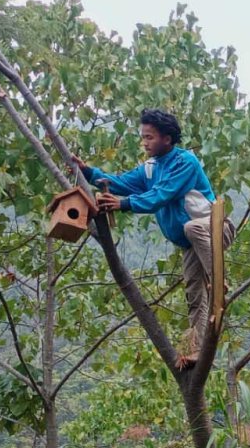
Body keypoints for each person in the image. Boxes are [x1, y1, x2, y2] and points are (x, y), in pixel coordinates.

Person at [74, 108, 234, 369]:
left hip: (214, 230)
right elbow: (119, 183)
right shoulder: (150, 168)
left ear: (167, 139)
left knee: (192, 228)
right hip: (191, 244)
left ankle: (219, 280)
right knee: (194, 296)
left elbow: (162, 194)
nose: (145, 143)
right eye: (143, 137)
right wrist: (89, 172)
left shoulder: (185, 162)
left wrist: (124, 204)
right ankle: (197, 351)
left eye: (149, 137)